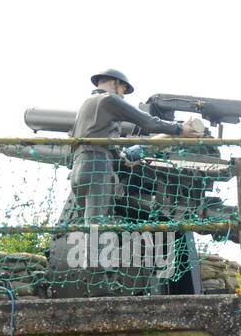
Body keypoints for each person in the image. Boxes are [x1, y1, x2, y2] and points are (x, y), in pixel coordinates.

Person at [69, 68, 201, 224]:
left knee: (88, 225)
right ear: (114, 82)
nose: (123, 95)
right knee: (97, 226)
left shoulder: (86, 104)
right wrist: (179, 128)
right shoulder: (109, 99)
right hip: (97, 167)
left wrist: (121, 159)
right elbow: (147, 122)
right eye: (123, 89)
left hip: (78, 170)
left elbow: (93, 141)